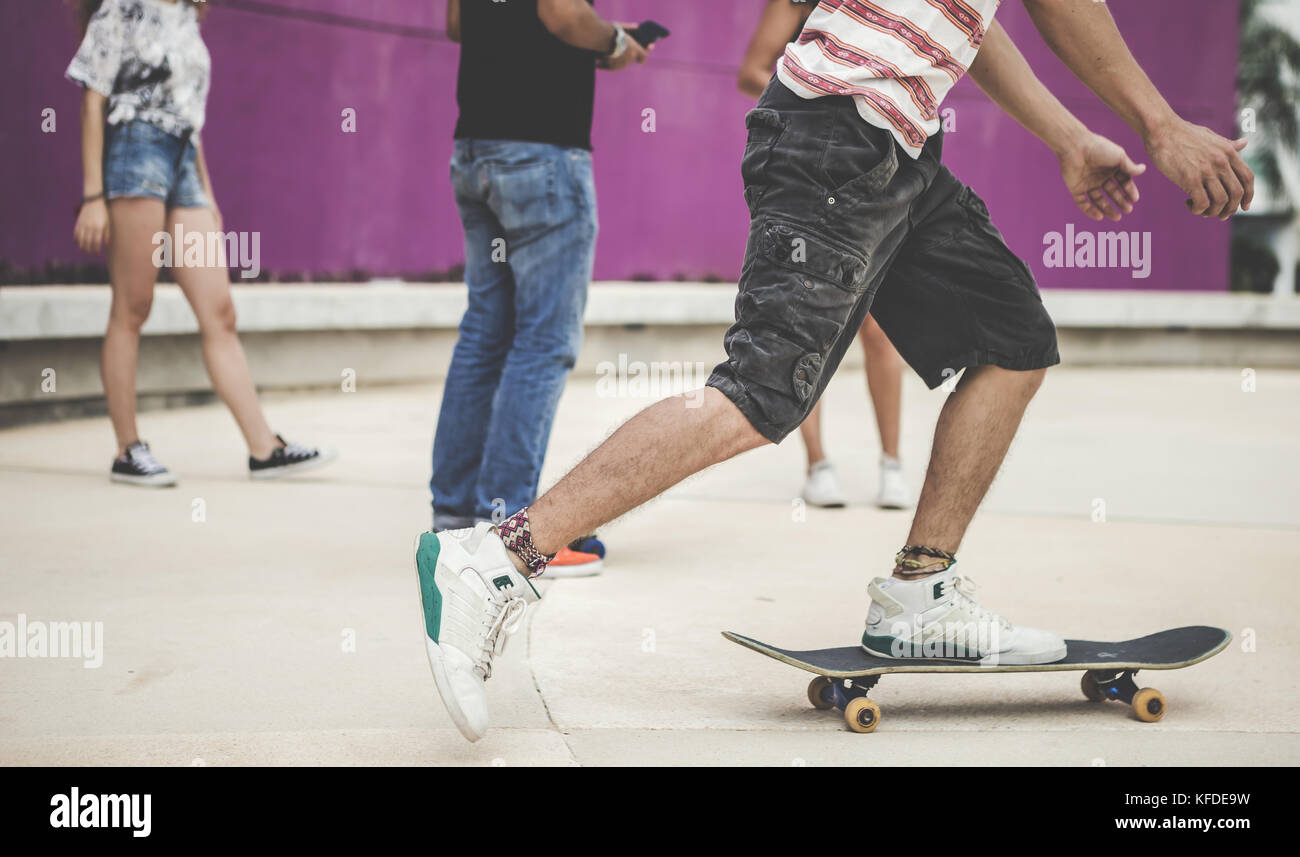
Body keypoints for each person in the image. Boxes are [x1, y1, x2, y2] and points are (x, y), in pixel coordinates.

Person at [416, 0, 1254, 741]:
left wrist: (1070, 137)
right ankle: (499, 557)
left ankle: (921, 594)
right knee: (754, 398)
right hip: (838, 141)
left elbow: (978, 18)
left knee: (1013, 340)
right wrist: (1161, 124)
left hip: (898, 150)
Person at [68, 0, 334, 486]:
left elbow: (190, 115)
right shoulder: (123, 7)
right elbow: (93, 98)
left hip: (184, 161)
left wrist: (206, 195)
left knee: (220, 312)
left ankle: (263, 448)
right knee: (133, 305)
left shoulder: (188, 16)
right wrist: (92, 195)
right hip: (135, 149)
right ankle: (128, 449)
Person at [431, 0, 649, 577]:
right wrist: (615, 44)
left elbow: (459, 23)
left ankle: (456, 523)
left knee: (485, 334)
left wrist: (595, 37)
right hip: (541, 149)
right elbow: (560, 13)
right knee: (542, 342)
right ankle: (509, 532)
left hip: (475, 145)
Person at [738, 0, 909, 511]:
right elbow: (752, 70)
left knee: (880, 328)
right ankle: (817, 464)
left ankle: (893, 463)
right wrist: (825, 95)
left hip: (879, 171)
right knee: (804, 326)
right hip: (812, 170)